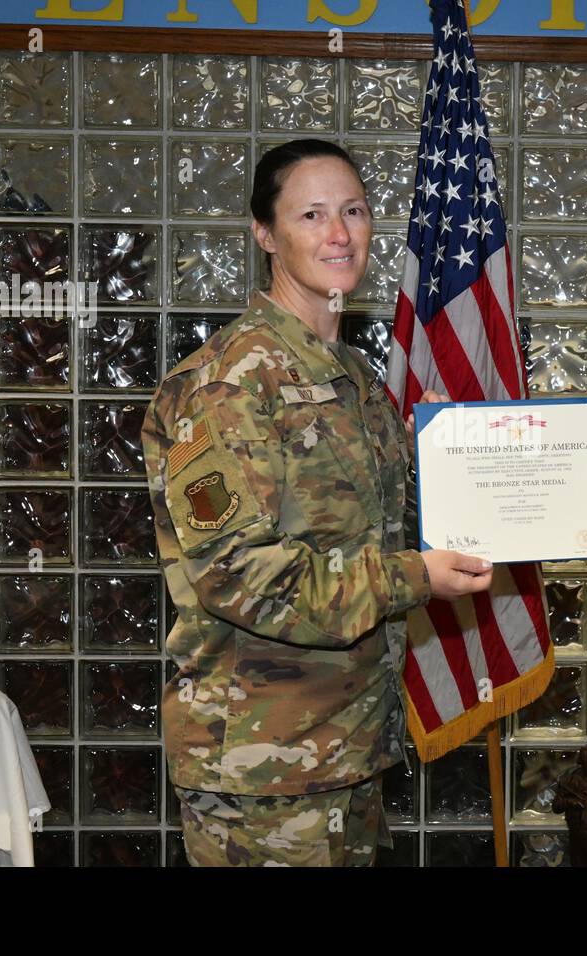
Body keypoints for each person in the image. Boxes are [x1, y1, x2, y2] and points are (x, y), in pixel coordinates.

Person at [141, 138, 493, 867]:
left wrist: (465, 456)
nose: (339, 234)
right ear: (265, 235)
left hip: (344, 750)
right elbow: (238, 575)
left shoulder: (355, 381)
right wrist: (415, 578)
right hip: (264, 773)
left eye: (354, 211)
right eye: (312, 214)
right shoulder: (230, 386)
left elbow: (377, 527)